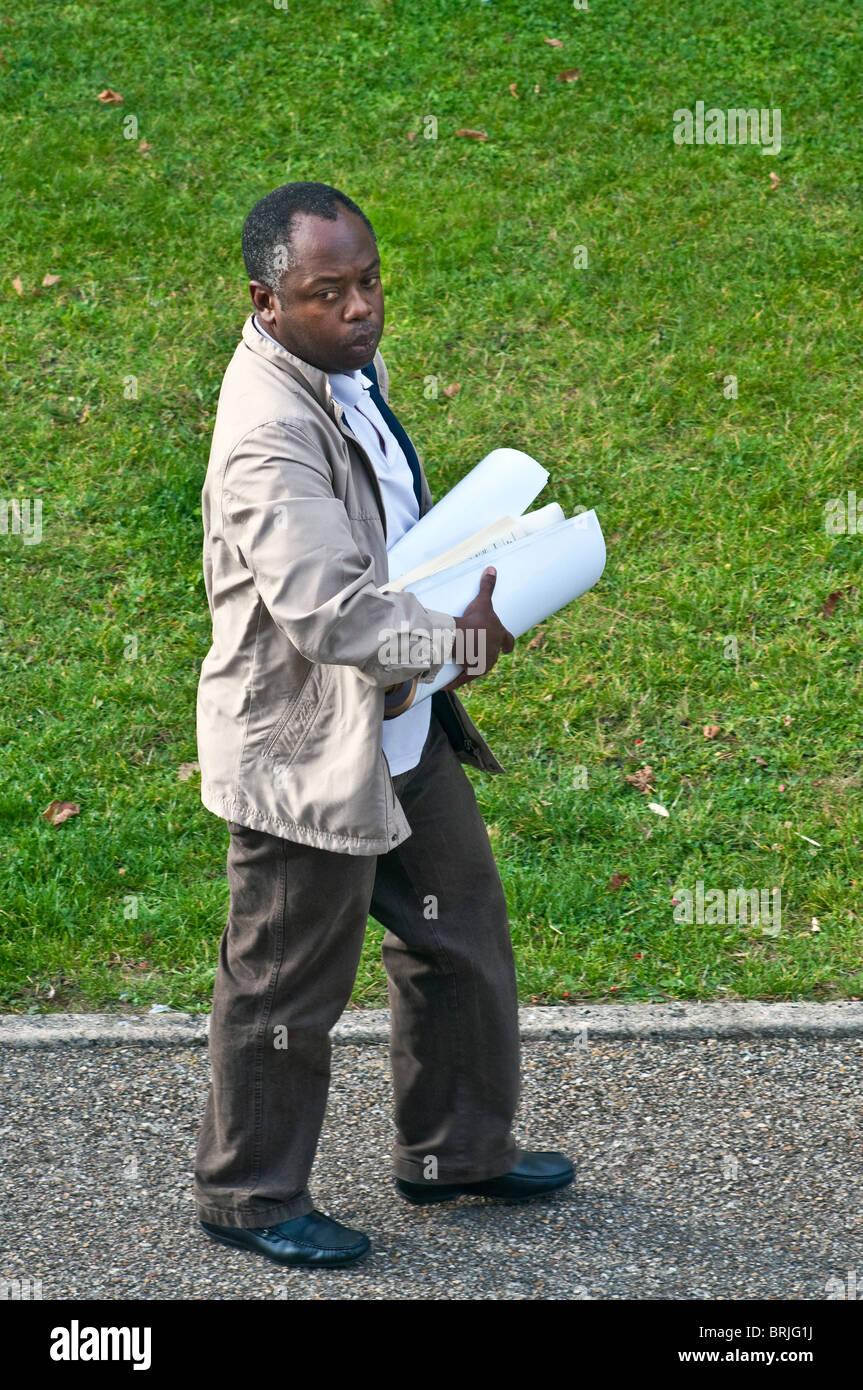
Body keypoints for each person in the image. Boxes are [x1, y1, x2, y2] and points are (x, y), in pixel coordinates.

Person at [193, 181, 574, 1269]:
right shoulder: (265, 433)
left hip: (398, 732)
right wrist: (458, 641)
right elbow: (324, 609)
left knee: (457, 942)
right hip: (309, 754)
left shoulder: (341, 374)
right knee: (281, 990)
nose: (359, 308)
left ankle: (457, 1152)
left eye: (367, 282)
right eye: (328, 292)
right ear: (264, 301)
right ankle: (250, 1196)